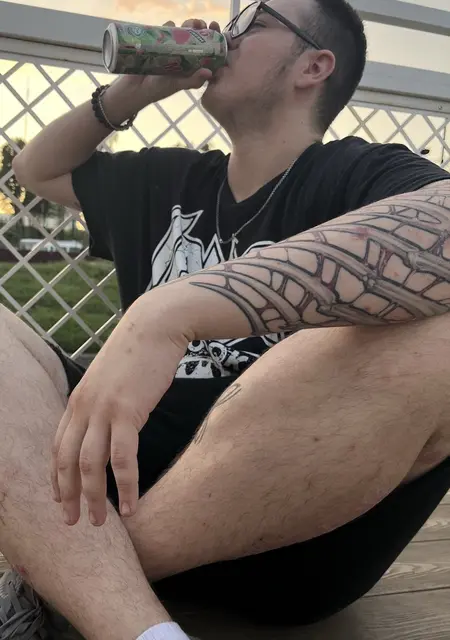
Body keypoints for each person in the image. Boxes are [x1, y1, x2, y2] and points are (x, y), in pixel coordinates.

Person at [2, 0, 450, 638]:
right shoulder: (173, 177)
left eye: (254, 22)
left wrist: (171, 311)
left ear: (314, 66)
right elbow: (34, 170)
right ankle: (136, 624)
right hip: (108, 476)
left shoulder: (358, 175)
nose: (225, 34)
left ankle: (67, 573)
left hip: (286, 523)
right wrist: (129, 95)